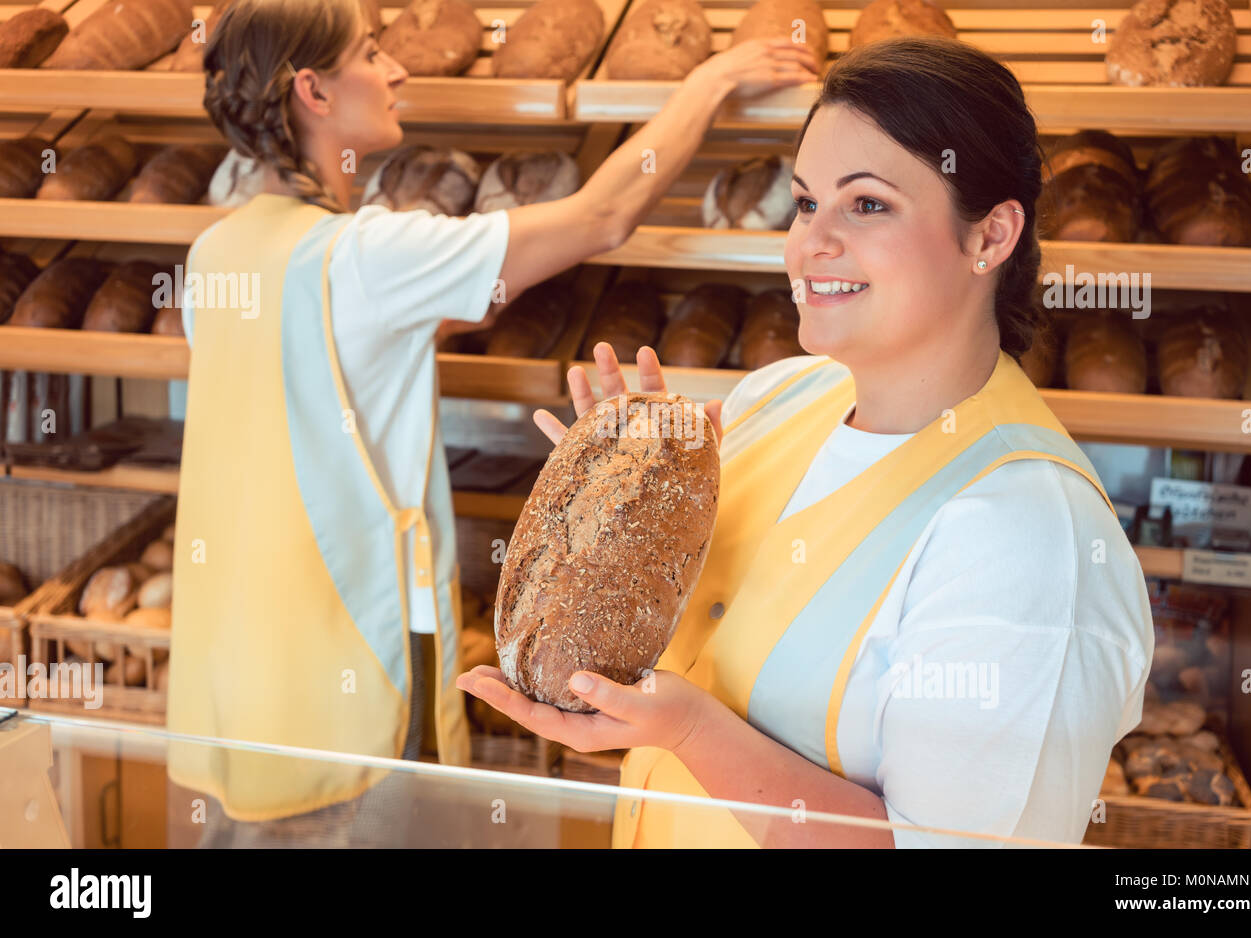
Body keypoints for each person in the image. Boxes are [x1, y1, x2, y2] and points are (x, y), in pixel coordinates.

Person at [459, 37, 1156, 848]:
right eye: (804, 202)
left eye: (868, 205)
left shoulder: (1028, 538)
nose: (810, 244)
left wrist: (691, 731)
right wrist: (622, 511)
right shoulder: (775, 398)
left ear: (991, 237)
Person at [164, 0, 818, 841]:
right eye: (371, 53)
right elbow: (599, 217)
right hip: (345, 661)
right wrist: (713, 80)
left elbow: (358, 342)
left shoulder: (217, 253)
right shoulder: (363, 256)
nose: (397, 69)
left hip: (235, 668)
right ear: (313, 92)